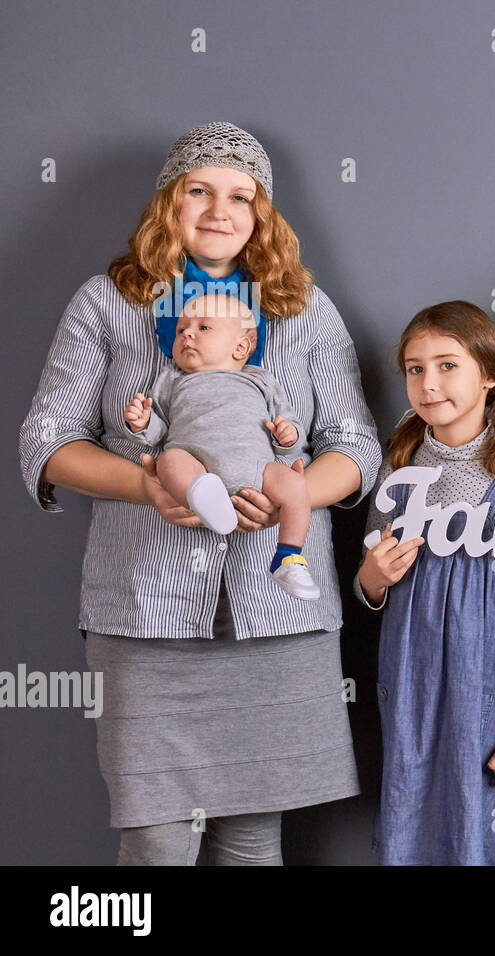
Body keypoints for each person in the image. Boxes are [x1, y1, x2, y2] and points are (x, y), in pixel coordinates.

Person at [18, 121, 381, 865]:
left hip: (277, 614)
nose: (221, 210)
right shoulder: (106, 302)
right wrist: (148, 487)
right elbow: (46, 443)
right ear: (168, 203)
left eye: (241, 196)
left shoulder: (303, 309)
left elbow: (356, 446)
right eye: (200, 191)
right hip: (146, 612)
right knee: (156, 842)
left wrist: (290, 496)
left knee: (251, 842)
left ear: (264, 214)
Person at [355, 301, 495, 866]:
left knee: (493, 840)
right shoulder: (397, 472)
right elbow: (373, 585)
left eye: (447, 365)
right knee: (419, 827)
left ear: (491, 375)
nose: (428, 383)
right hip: (415, 696)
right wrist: (370, 580)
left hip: (493, 699)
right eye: (415, 369)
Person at [125, 292, 319, 600]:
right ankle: (202, 495)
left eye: (203, 328)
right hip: (194, 460)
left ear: (240, 347)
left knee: (296, 487)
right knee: (168, 461)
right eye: (181, 330)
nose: (187, 333)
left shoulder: (260, 379)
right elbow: (159, 430)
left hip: (256, 468)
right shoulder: (172, 379)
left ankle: (289, 557)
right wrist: (143, 423)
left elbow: (286, 421)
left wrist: (288, 435)